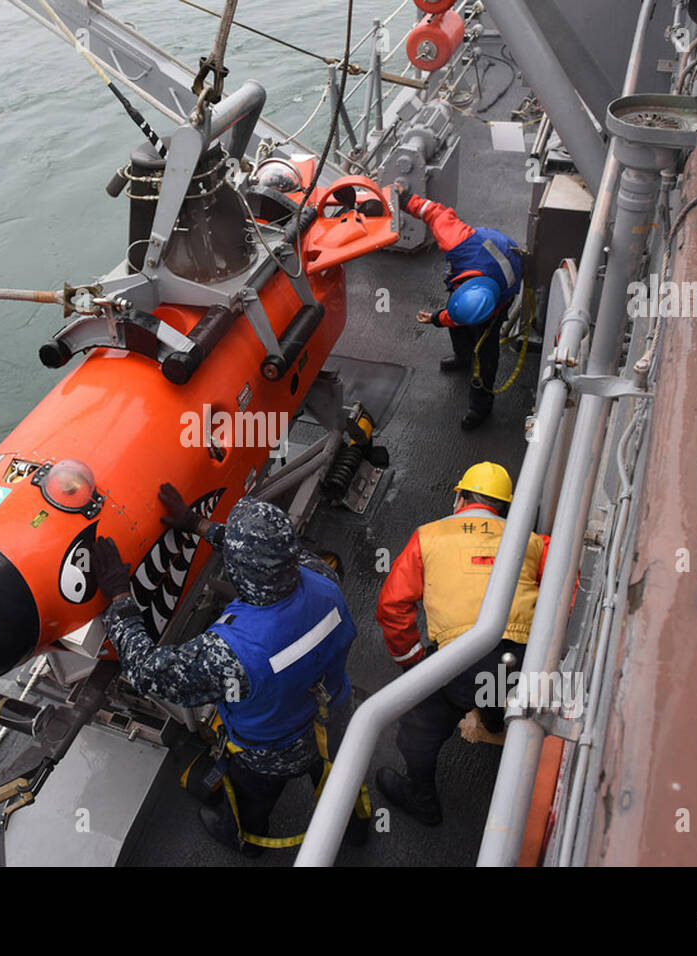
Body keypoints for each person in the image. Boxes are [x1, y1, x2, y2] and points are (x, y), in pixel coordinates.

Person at [93, 484, 368, 856]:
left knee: (252, 800)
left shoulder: (233, 655)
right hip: (334, 719)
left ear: (242, 572)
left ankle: (245, 840)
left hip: (270, 752)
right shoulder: (322, 577)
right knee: (341, 777)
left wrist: (120, 598)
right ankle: (355, 827)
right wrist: (198, 524)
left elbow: (148, 672)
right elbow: (275, 557)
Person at [373, 461, 549, 825]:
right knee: (499, 683)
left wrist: (413, 660)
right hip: (523, 660)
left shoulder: (428, 536)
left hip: (459, 662)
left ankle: (423, 800)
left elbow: (392, 605)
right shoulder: (536, 542)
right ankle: (494, 718)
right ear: (504, 507)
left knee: (417, 732)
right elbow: (568, 590)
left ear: (459, 497)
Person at [392, 181, 524, 430]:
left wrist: (434, 318)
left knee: (486, 354)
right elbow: (434, 212)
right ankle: (463, 356)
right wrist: (405, 197)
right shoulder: (456, 240)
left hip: (499, 281)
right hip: (482, 258)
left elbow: (457, 317)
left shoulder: (499, 297)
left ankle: (481, 406)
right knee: (460, 324)